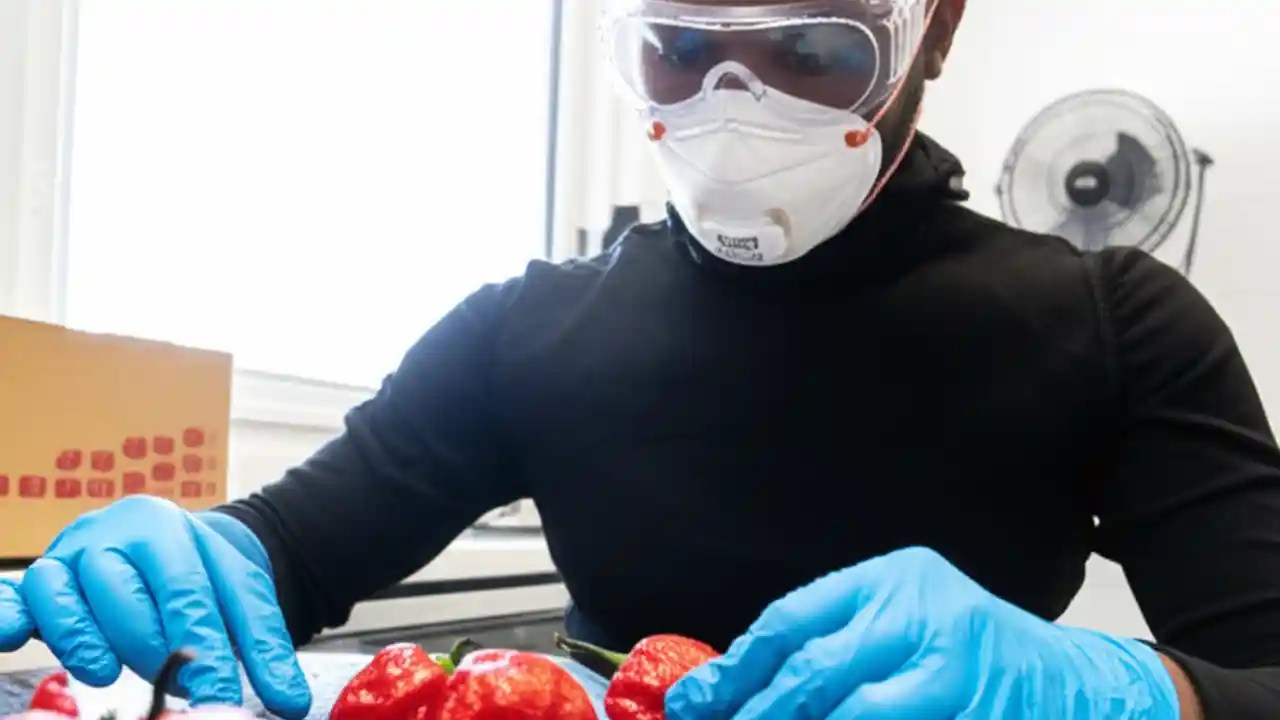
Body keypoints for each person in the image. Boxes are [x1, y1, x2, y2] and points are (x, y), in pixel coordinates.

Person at [2, 0, 1278, 716]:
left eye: (813, 51)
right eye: (681, 47)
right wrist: (203, 558)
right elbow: (287, 555)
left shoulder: (1119, 324)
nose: (736, 100)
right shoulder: (526, 326)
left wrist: (1127, 694)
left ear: (931, 31)